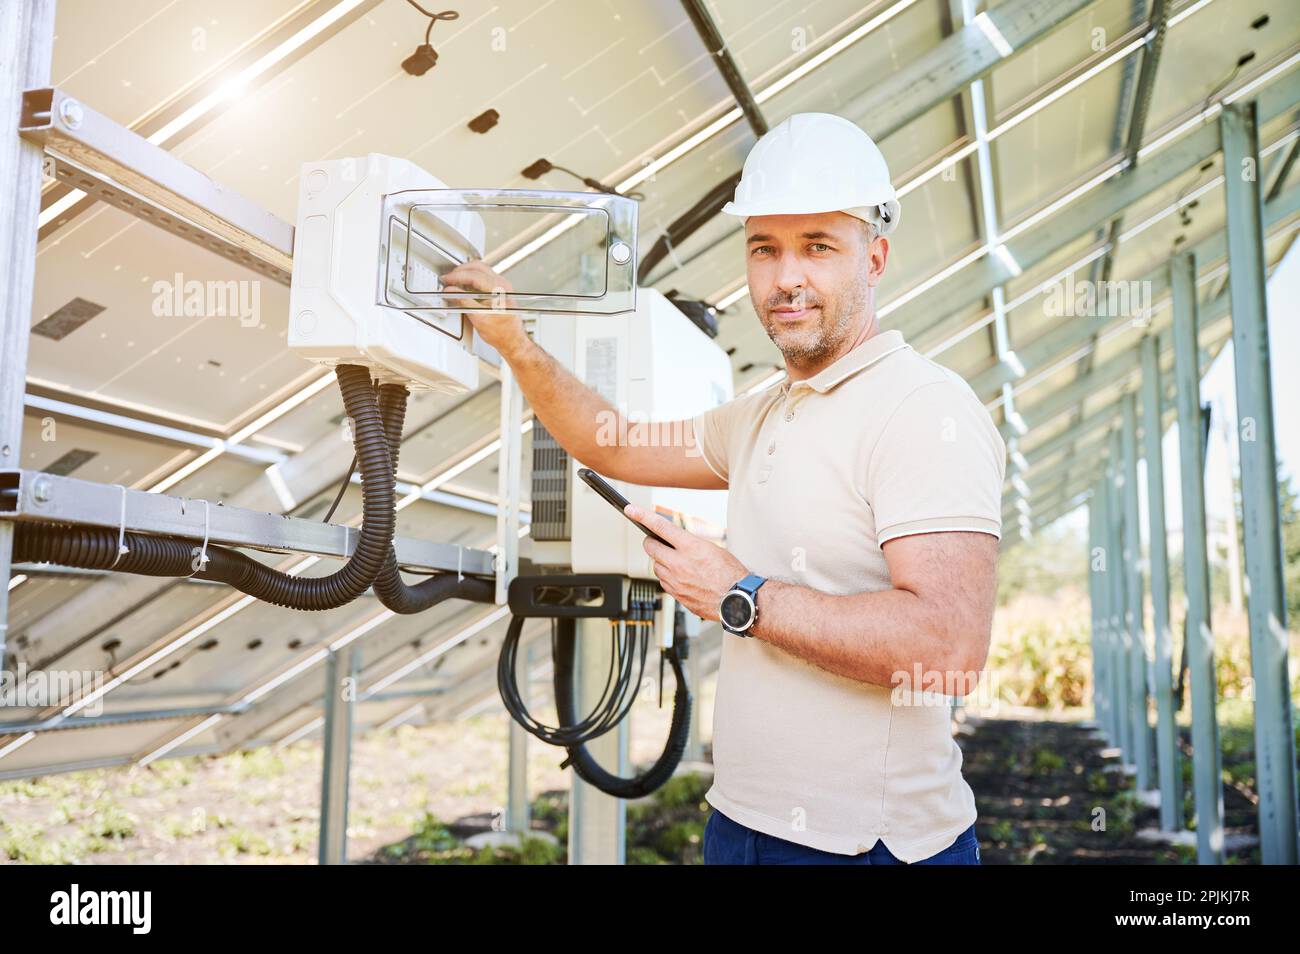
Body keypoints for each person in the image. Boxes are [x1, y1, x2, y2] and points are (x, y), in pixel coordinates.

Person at [440, 112, 1005, 866]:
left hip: (865, 847)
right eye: (764, 249)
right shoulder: (762, 412)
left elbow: (949, 646)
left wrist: (738, 595)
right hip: (740, 825)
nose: (787, 277)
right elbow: (612, 441)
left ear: (874, 258)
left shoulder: (922, 408)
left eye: (818, 247)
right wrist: (514, 339)